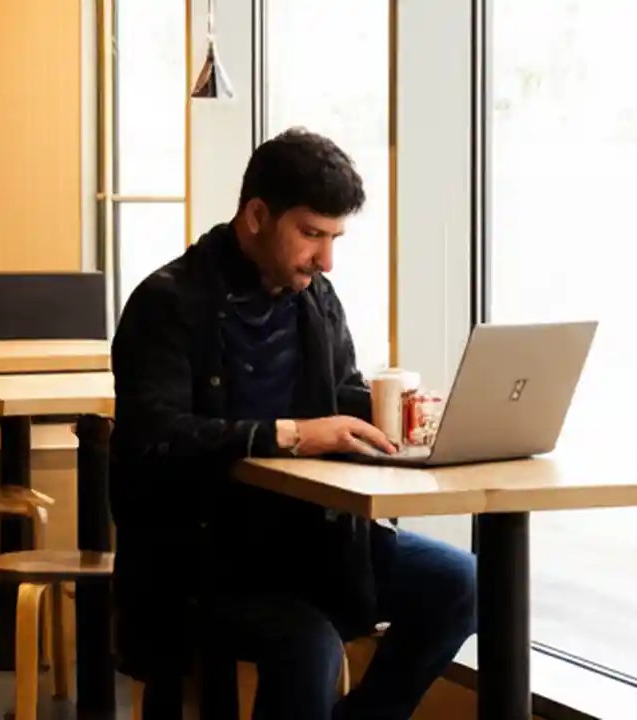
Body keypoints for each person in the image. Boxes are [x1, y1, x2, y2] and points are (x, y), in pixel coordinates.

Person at [110, 127, 477, 720]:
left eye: (334, 238)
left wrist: (407, 417)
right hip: (201, 561)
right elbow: (156, 436)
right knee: (308, 644)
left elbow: (339, 393)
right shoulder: (168, 302)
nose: (325, 259)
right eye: (311, 234)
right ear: (256, 215)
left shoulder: (317, 298)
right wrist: (293, 433)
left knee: (462, 581)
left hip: (315, 542)